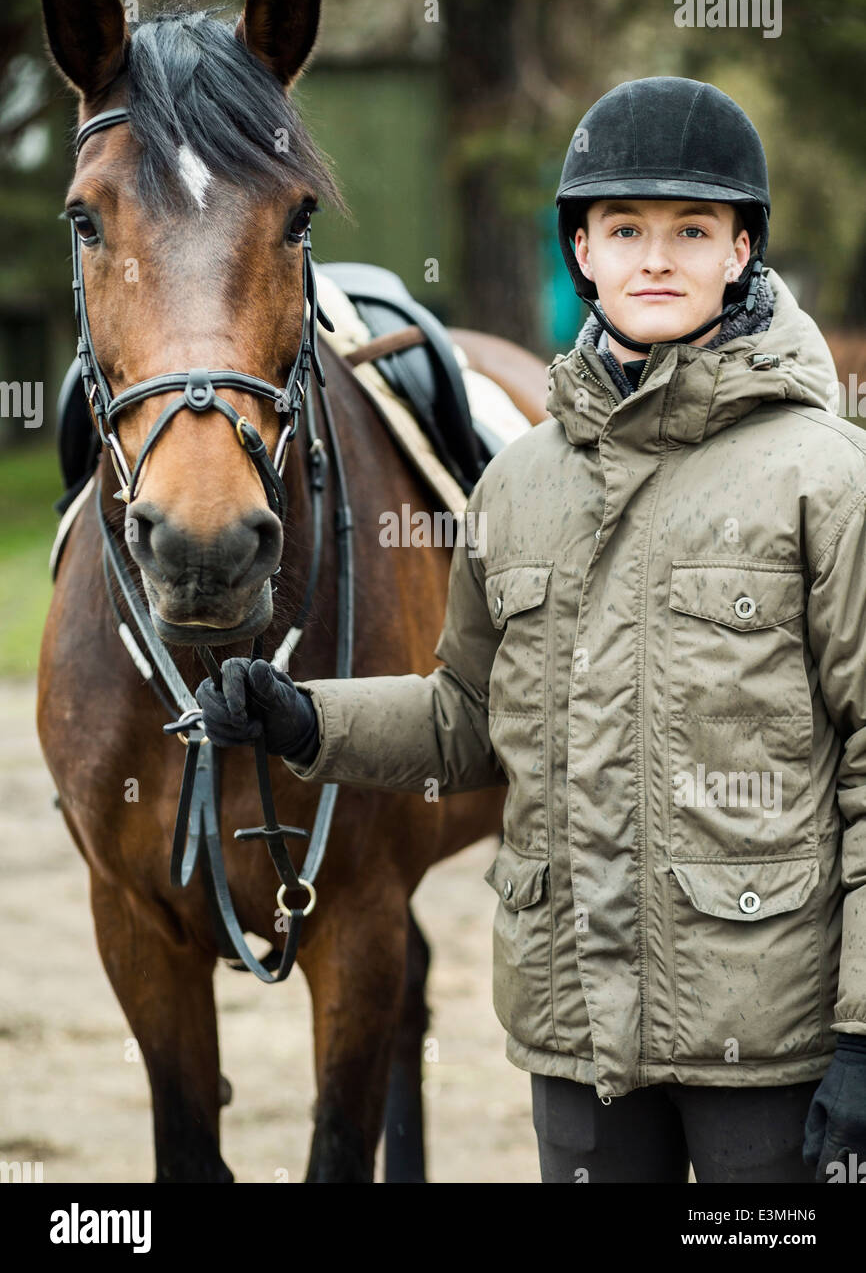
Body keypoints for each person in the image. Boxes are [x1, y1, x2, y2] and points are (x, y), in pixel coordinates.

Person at [197, 77, 866, 1184]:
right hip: (573, 1038)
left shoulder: (826, 481)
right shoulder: (516, 486)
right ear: (583, 256)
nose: (655, 257)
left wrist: (860, 1037)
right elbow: (466, 717)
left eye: (690, 230)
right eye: (623, 230)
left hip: (772, 1051)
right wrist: (302, 717)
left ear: (739, 251)